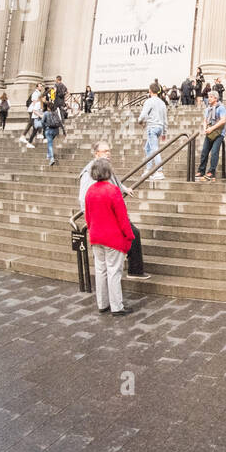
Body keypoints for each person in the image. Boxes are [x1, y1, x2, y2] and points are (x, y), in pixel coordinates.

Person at [79, 141, 148, 280]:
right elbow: (83, 197)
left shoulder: (104, 167)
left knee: (131, 234)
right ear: (96, 153)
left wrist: (124, 188)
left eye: (108, 150)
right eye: (104, 151)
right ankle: (134, 270)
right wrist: (90, 218)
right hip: (105, 214)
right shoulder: (90, 171)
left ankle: (134, 269)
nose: (108, 153)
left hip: (111, 209)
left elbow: (113, 180)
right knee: (131, 234)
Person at [84, 158, 134, 316]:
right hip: (113, 237)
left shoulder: (90, 190)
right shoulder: (113, 190)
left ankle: (102, 303)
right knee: (114, 271)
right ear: (108, 172)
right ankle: (117, 306)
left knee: (101, 270)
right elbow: (122, 217)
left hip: (96, 236)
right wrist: (129, 235)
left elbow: (88, 217)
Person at [137, 82, 169, 181]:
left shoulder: (149, 101)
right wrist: (164, 132)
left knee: (154, 149)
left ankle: (159, 171)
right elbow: (165, 119)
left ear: (150, 90)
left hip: (152, 127)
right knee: (148, 148)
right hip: (159, 127)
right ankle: (148, 170)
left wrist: (140, 121)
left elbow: (143, 115)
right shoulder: (162, 103)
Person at [197, 91, 226, 181]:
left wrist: (212, 128)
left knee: (214, 152)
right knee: (204, 151)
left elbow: (223, 120)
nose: (209, 99)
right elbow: (205, 120)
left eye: (211, 97)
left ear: (216, 98)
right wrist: (205, 128)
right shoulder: (208, 109)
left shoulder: (221, 108)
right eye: (208, 97)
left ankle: (211, 172)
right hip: (209, 133)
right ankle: (201, 170)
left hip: (219, 133)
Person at [43, 97, 63, 165]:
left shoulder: (46, 113)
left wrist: (45, 127)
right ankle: (48, 155)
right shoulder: (56, 113)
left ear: (48, 107)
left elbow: (42, 122)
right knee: (50, 142)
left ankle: (52, 158)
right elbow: (60, 121)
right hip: (56, 130)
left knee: (50, 144)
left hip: (49, 130)